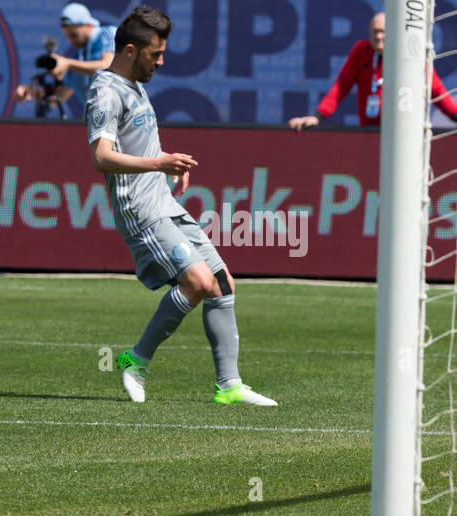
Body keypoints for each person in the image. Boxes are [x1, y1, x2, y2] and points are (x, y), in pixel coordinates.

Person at [87, 6, 276, 406]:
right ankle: (135, 360)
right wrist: (158, 163)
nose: (161, 61)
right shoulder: (105, 92)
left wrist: (166, 166)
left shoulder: (135, 85)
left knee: (222, 282)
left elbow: (135, 143)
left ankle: (229, 386)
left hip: (163, 201)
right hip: (141, 211)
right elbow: (102, 156)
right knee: (197, 282)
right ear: (130, 50)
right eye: (155, 54)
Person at [289, 12, 457, 130]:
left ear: (395, 33)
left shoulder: (411, 58)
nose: (379, 37)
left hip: (402, 138)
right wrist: (317, 117)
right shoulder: (361, 51)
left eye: (384, 32)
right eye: (375, 32)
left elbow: (438, 93)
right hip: (369, 135)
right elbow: (341, 87)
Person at [15, 3, 116, 115]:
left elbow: (108, 67)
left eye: (73, 35)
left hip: (128, 123)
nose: (70, 41)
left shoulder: (108, 33)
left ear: (87, 25)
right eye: (67, 36)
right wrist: (31, 92)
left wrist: (68, 64)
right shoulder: (78, 58)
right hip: (100, 127)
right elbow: (58, 97)